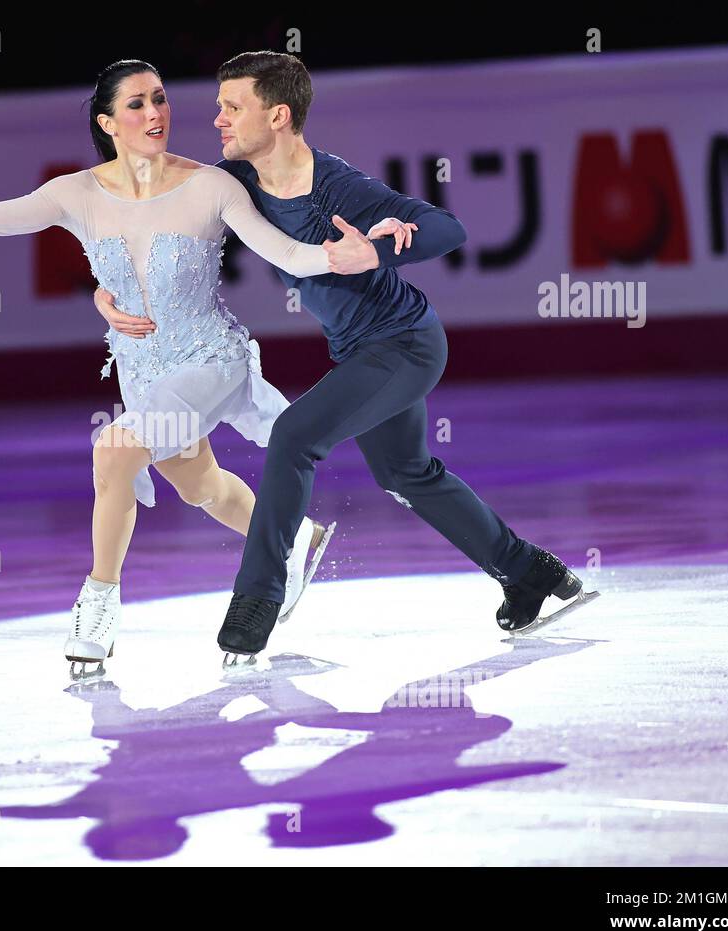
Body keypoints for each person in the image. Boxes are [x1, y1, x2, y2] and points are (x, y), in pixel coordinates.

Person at [0, 59, 375, 674]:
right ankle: (297, 544)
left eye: (159, 98)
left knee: (115, 449)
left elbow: (285, 252)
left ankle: (99, 600)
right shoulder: (74, 195)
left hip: (211, 359)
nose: (154, 113)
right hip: (145, 374)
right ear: (108, 122)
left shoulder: (213, 186)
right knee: (199, 485)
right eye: (136, 104)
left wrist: (346, 255)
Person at [94, 52, 598, 662]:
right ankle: (532, 574)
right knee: (405, 474)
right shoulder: (239, 183)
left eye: (233, 107)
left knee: (294, 436)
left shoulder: (338, 187)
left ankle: (257, 599)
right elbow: (155, 224)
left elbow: (446, 228)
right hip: (361, 352)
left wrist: (377, 254)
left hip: (405, 344)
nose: (218, 120)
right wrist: (108, 290)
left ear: (277, 115)